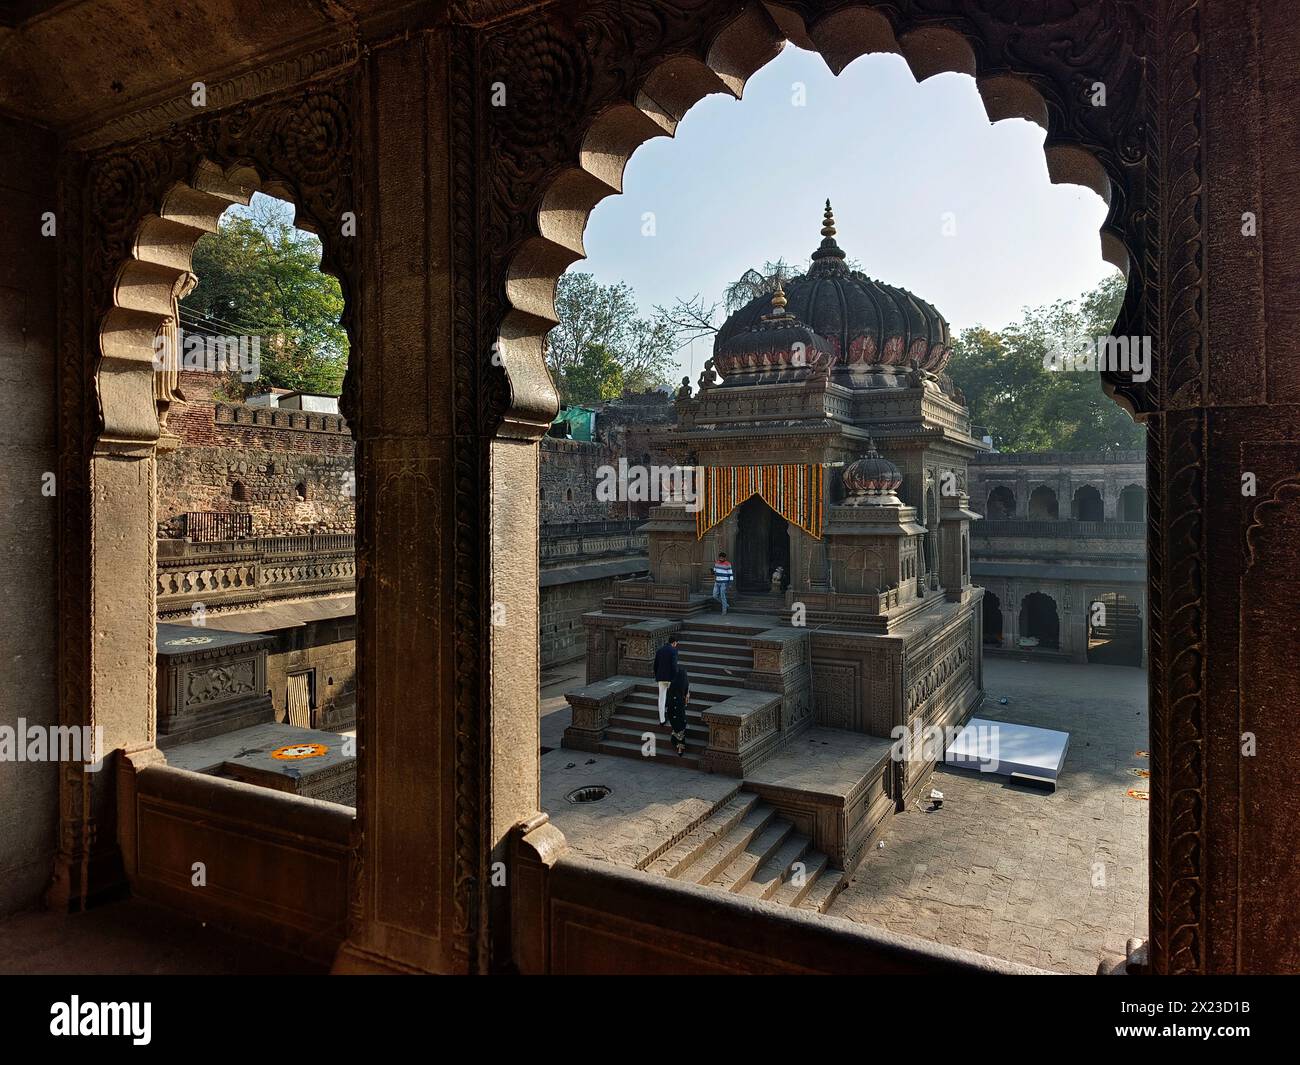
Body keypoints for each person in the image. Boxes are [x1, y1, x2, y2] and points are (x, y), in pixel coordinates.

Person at [652, 634, 679, 724]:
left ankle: (662, 719)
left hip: (661, 677)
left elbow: (655, 665)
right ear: (674, 643)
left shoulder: (659, 650)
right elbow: (674, 666)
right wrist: (676, 677)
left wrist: (658, 675)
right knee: (674, 697)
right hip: (671, 678)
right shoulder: (673, 651)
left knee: (661, 698)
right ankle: (673, 716)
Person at [665, 665, 691, 755]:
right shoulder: (675, 678)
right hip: (674, 704)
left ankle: (679, 745)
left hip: (677, 704)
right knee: (677, 722)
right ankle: (676, 739)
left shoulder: (681, 677)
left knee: (680, 724)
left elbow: (686, 689)